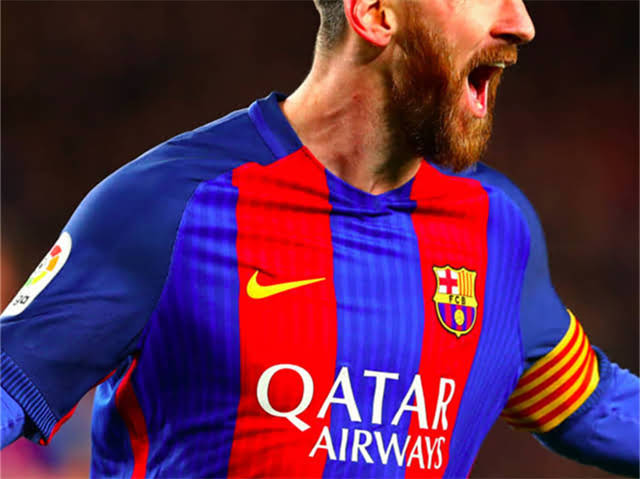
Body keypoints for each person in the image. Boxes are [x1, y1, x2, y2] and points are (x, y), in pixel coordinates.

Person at [1, 0, 637, 477]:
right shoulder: (168, 207)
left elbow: (592, 407)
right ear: (375, 13)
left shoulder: (498, 229)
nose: (521, 22)